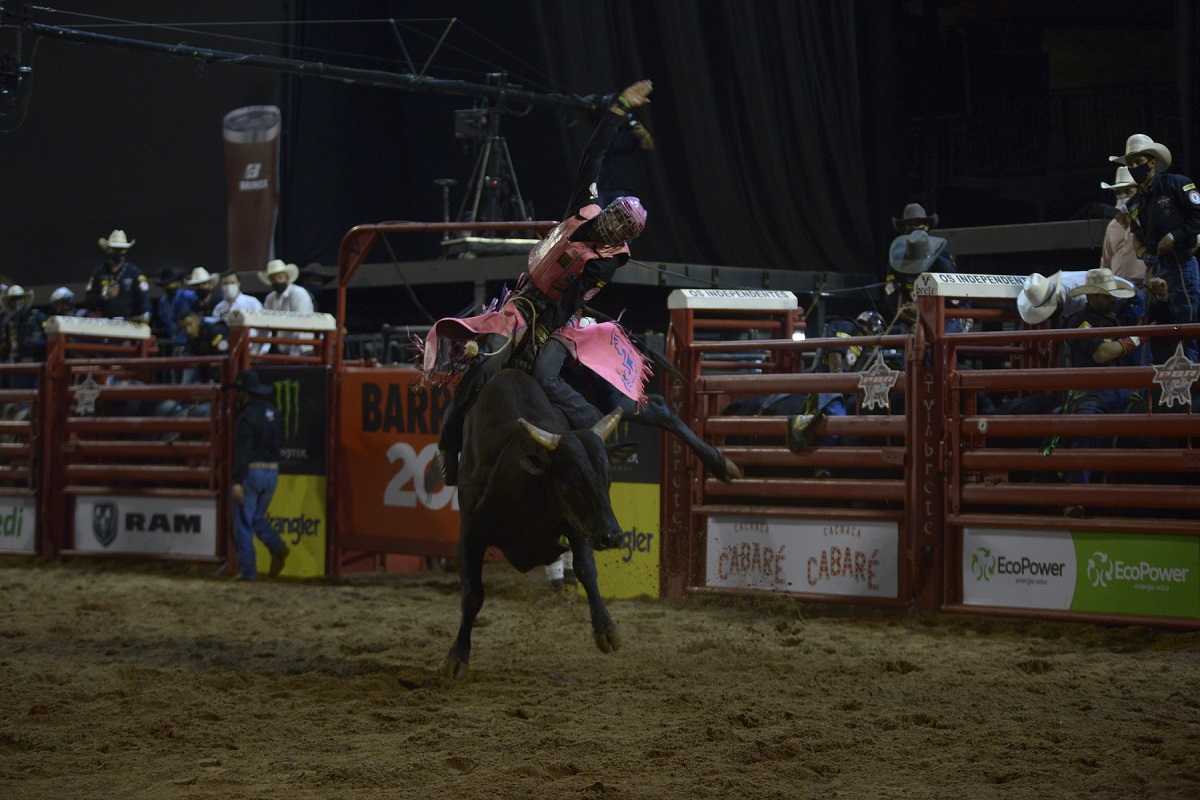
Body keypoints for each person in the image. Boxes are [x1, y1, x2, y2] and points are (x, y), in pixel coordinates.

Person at [432, 79, 654, 486]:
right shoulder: (583, 207)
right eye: (612, 216)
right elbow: (594, 153)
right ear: (608, 211)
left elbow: (568, 300)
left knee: (548, 374)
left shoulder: (605, 264)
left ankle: (589, 429)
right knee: (485, 365)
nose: (608, 225)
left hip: (559, 316)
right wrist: (619, 107)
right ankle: (450, 444)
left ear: (622, 236)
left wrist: (537, 332)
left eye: (617, 226)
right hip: (525, 300)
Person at [1112, 133, 1200, 361]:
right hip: (1154, 268)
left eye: (1138, 162)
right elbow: (1138, 235)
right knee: (1152, 323)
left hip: (1181, 263)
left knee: (1185, 323)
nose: (1134, 167)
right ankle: (1154, 385)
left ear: (1152, 161)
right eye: (1130, 164)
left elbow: (1197, 216)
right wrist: (1142, 251)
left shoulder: (1176, 184)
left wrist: (1174, 236)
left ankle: (1191, 388)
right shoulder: (1135, 203)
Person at [1061, 268, 1139, 494]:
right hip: (1092, 394)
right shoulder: (1079, 321)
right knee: (1085, 429)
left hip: (1120, 391)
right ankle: (1077, 495)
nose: (1112, 299)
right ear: (1092, 296)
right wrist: (1135, 339)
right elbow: (1101, 353)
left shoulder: (1113, 321)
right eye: (1107, 295)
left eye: (1112, 294)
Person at [227, 369, 289, 580]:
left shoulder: (246, 417)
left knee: (244, 524)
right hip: (272, 472)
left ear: (245, 393)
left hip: (252, 473)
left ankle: (249, 573)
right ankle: (275, 544)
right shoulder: (274, 412)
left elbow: (243, 451)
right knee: (255, 518)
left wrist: (237, 480)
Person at [886, 205, 967, 333]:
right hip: (913, 316)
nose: (913, 228)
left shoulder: (941, 258)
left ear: (926, 226)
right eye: (909, 224)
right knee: (911, 346)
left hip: (945, 315)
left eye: (917, 223)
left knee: (937, 346)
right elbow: (891, 293)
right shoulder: (897, 258)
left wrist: (926, 310)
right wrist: (903, 314)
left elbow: (957, 295)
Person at [83, 229, 151, 322]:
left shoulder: (134, 273)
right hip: (105, 322)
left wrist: (145, 314)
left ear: (126, 250)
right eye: (115, 249)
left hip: (129, 322)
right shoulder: (100, 273)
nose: (118, 252)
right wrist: (105, 296)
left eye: (121, 249)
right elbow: (88, 301)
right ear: (108, 250)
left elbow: (144, 299)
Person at [596, 107, 654, 208]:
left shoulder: (628, 131)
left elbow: (648, 146)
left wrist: (645, 133)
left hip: (622, 185)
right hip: (603, 185)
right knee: (601, 220)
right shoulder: (605, 129)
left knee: (623, 219)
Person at [260, 259, 314, 355]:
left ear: (287, 278)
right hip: (283, 348)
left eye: (280, 277)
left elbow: (302, 322)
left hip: (304, 347)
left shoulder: (298, 294)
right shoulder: (270, 299)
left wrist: (296, 351)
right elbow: (264, 324)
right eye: (273, 279)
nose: (276, 281)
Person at [212, 270, 265, 353]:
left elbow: (263, 328)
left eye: (232, 282)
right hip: (227, 350)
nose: (229, 286)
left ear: (238, 283)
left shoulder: (252, 302)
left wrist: (258, 351)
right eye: (225, 284)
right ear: (221, 286)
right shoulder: (218, 309)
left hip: (251, 349)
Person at [154, 267, 199, 353]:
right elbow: (163, 319)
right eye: (166, 284)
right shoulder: (163, 301)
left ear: (178, 283)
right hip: (174, 340)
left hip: (191, 340)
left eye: (172, 283)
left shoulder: (189, 296)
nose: (169, 286)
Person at [1, 285, 48, 365]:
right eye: (13, 300)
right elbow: (6, 349)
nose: (17, 303)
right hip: (17, 367)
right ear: (9, 304)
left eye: (19, 299)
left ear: (25, 300)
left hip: (36, 364)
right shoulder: (9, 323)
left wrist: (37, 343)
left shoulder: (38, 316)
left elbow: (52, 341)